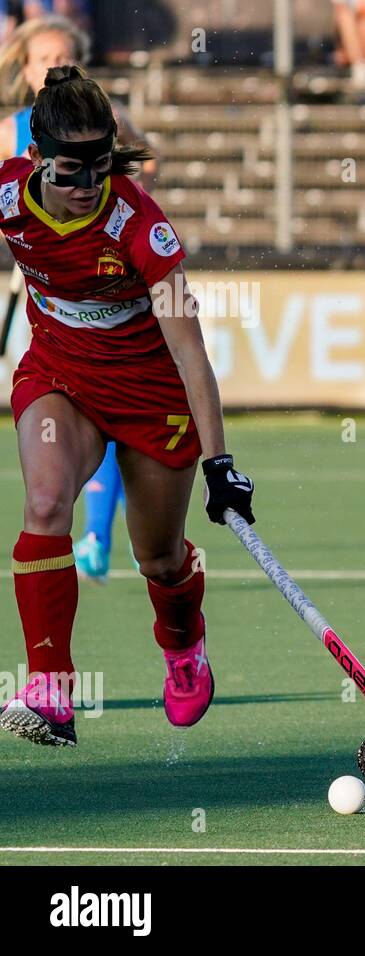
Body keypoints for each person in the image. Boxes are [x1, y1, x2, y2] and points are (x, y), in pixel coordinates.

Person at [0, 66, 254, 747]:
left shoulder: (142, 230)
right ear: (34, 158)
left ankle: (182, 642)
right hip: (61, 377)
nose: (88, 188)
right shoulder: (6, 196)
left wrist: (220, 464)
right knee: (47, 504)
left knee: (159, 559)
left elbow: (192, 355)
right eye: (70, 172)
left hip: (150, 398)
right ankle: (49, 687)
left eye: (101, 168)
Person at [0, 15, 160, 585]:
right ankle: (67, 513)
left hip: (109, 290)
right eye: (40, 56)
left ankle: (97, 531)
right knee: (55, 407)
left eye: (60, 55)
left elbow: (143, 168)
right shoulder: (9, 130)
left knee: (114, 405)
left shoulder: (105, 119)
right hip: (39, 290)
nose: (49, 66)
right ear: (24, 67)